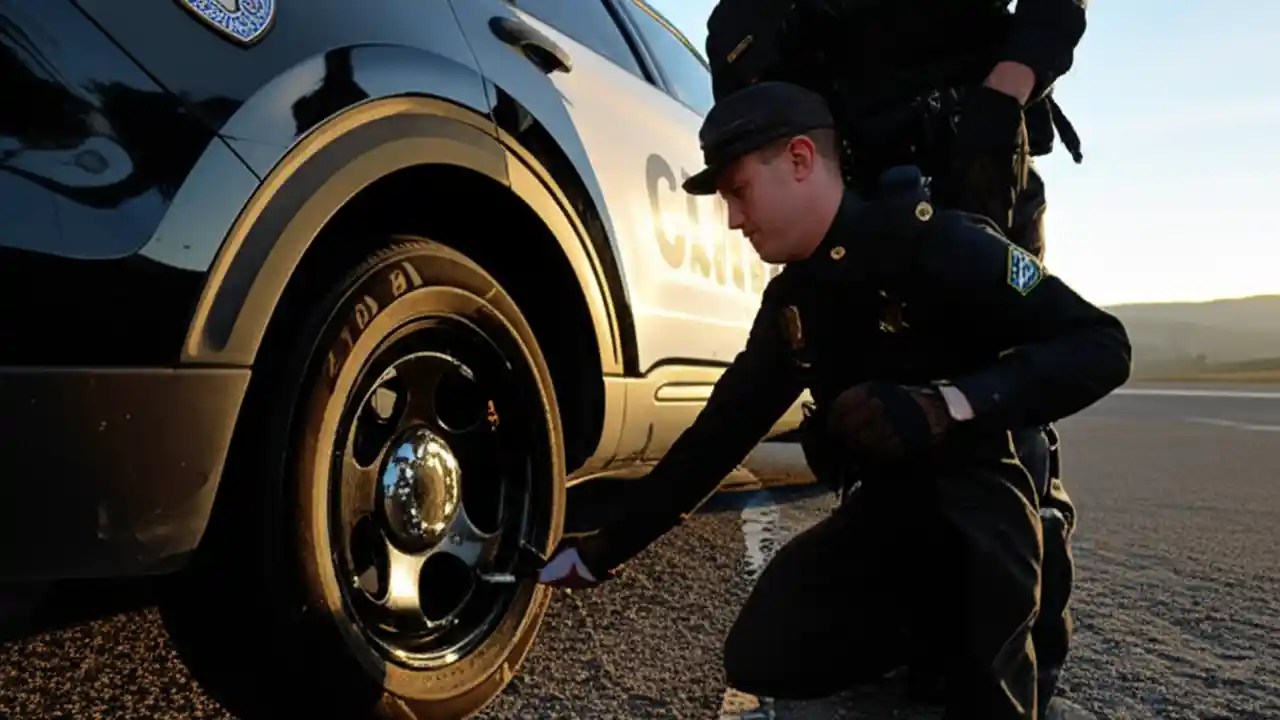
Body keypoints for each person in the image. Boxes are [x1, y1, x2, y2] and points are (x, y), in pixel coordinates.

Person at [535, 81, 1130, 720]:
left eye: (738, 192)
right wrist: (601, 551)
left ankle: (1017, 624)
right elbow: (717, 438)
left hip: (984, 507)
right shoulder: (799, 301)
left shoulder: (940, 245)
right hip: (891, 513)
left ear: (799, 160)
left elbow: (1102, 344)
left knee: (990, 698)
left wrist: (949, 403)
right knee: (763, 653)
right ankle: (925, 651)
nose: (734, 220)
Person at [701, 0, 1090, 708]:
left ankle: (1030, 651)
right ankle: (923, 630)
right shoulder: (748, 23)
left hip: (974, 152)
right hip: (856, 196)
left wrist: (1009, 87)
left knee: (1004, 420)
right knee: (877, 420)